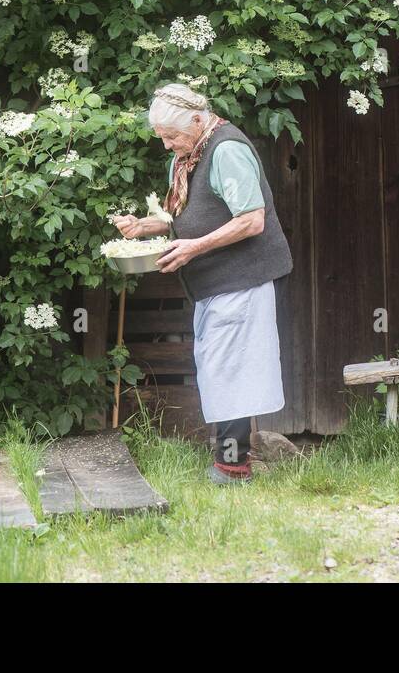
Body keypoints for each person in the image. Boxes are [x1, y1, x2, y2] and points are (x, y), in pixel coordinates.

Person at [113, 82, 293, 483]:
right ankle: (230, 463)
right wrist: (144, 226)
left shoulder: (226, 150)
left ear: (198, 120)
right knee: (219, 368)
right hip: (216, 283)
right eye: (161, 137)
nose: (166, 145)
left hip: (243, 277)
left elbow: (252, 219)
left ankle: (232, 467)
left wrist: (194, 247)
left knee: (232, 370)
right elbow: (183, 214)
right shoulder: (187, 155)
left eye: (172, 136)